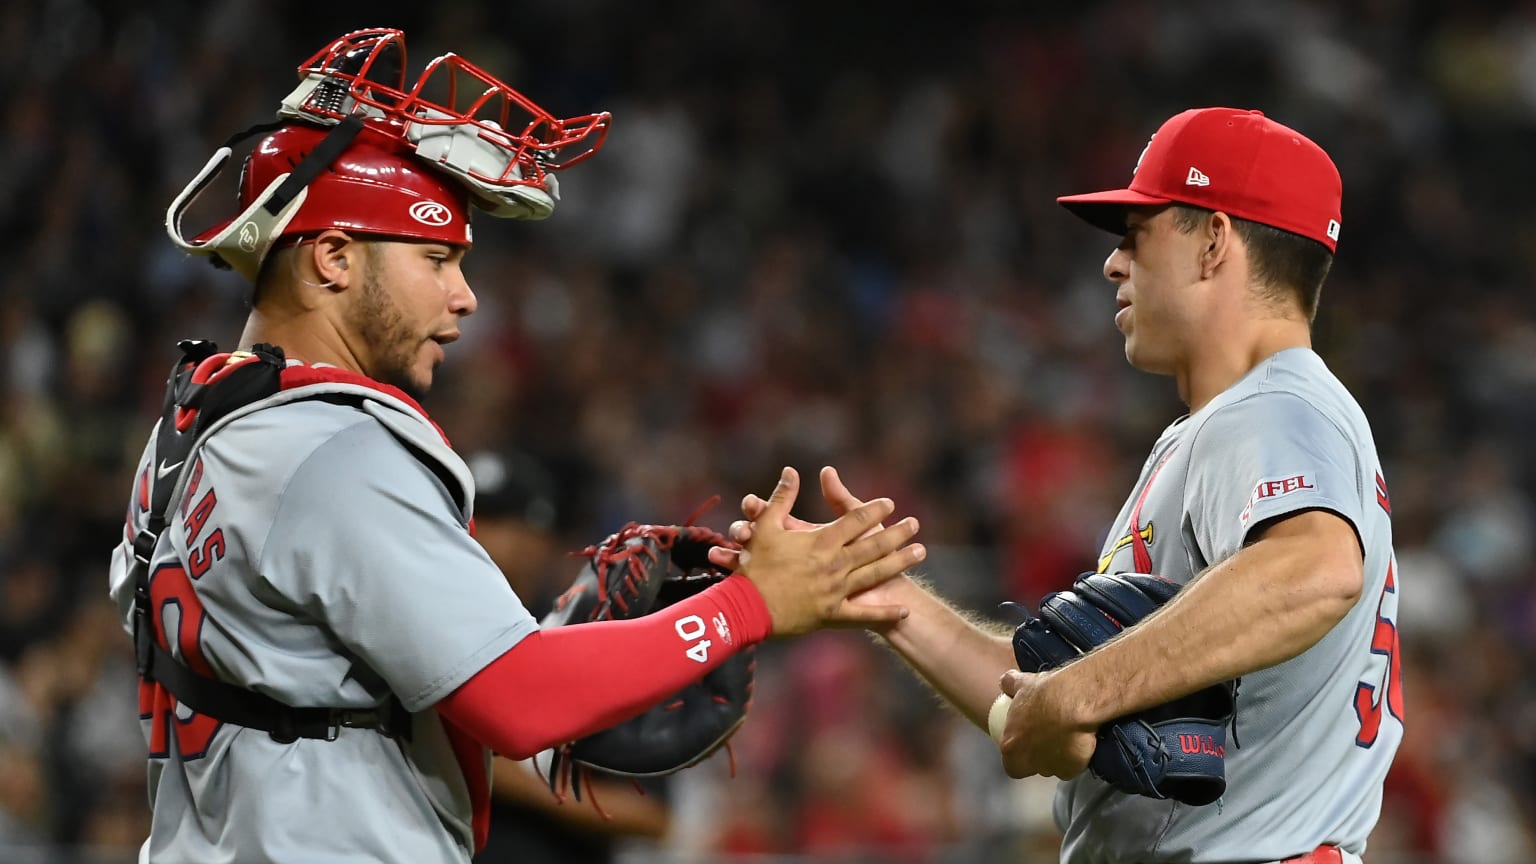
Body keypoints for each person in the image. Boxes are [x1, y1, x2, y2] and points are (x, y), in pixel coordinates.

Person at [106, 29, 925, 864]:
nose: (464, 296)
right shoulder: (336, 451)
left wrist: (542, 640)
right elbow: (519, 702)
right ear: (334, 259)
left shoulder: (199, 425)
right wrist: (750, 605)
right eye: (437, 258)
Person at [721, 107, 1402, 863]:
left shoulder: (1273, 405)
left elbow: (1315, 571)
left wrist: (1080, 694)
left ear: (1214, 241)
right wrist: (881, 595)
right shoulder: (1242, 423)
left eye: (1136, 234)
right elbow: (1037, 701)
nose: (1113, 263)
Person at [463, 447, 671, 863]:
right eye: (464, 520)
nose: (472, 534)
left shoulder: (592, 640)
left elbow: (652, 815)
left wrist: (514, 781)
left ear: (536, 540)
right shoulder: (428, 636)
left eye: (497, 521)